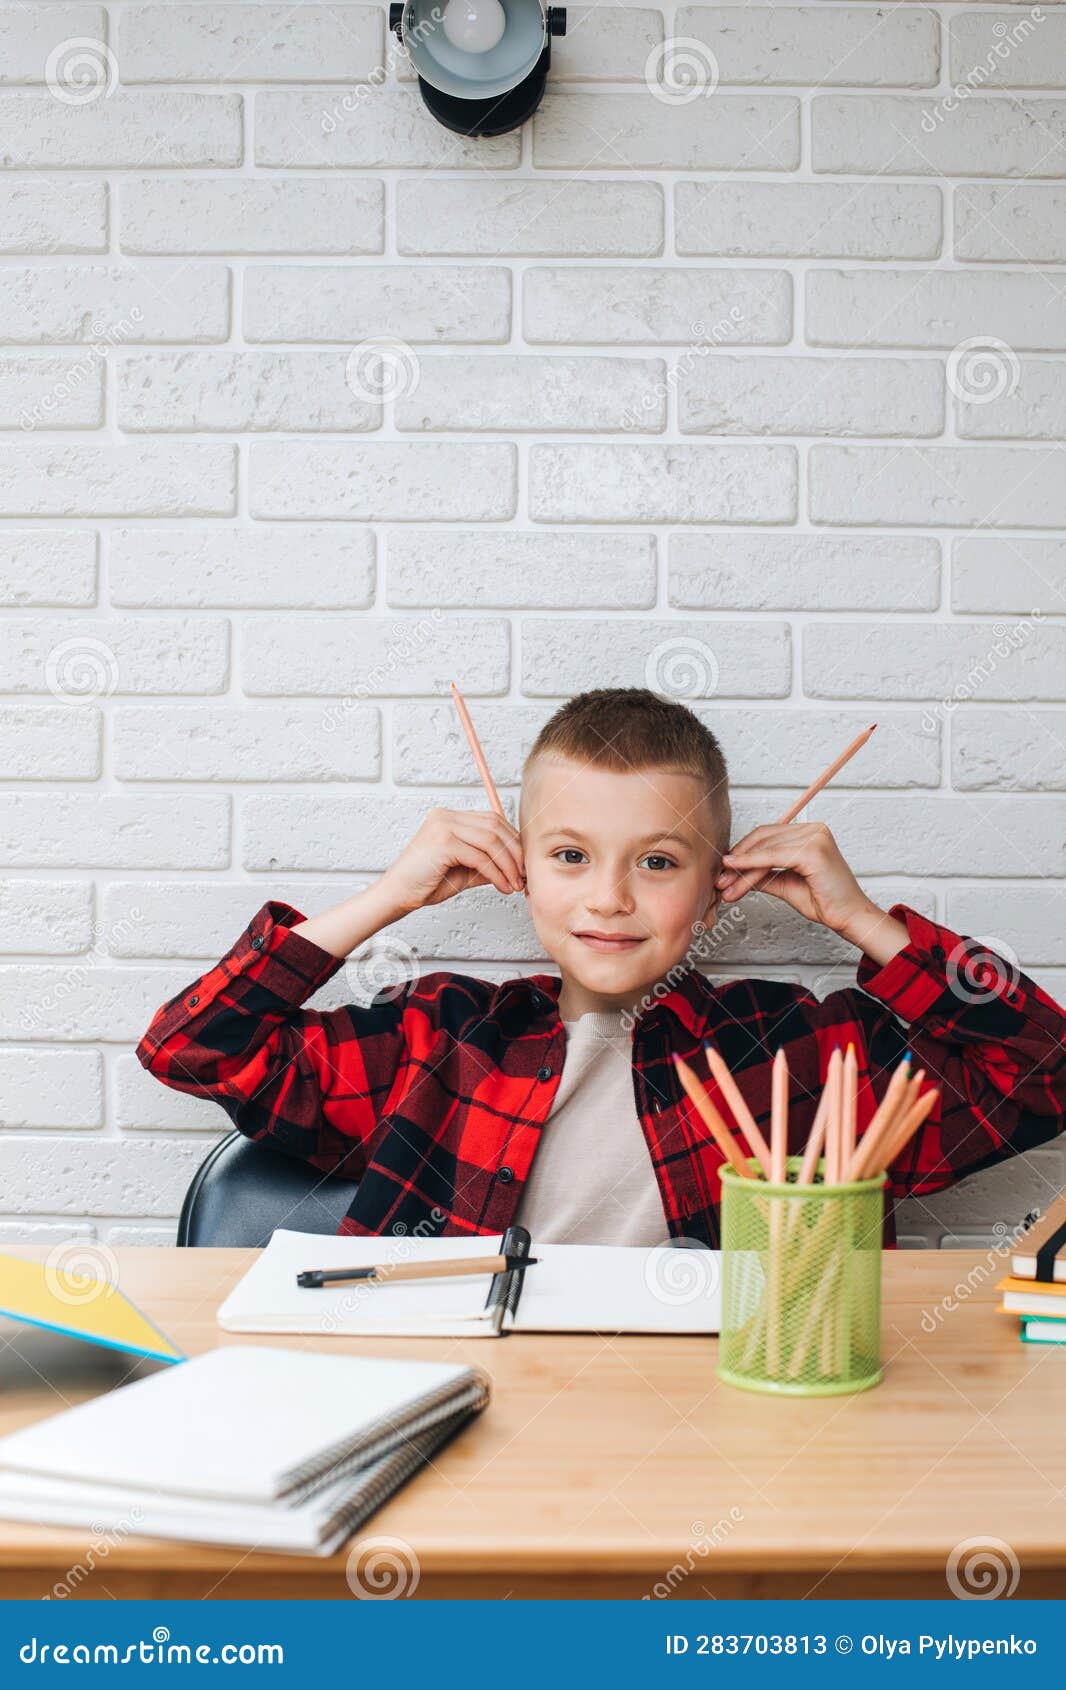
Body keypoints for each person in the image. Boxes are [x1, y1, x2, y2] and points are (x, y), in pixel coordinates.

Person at [136, 687, 1066, 1247]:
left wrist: (862, 921)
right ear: (520, 868)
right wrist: (389, 896)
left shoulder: (801, 1057)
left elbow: (1044, 1071)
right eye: (572, 856)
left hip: (727, 1437)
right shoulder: (436, 1039)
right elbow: (194, 1048)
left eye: (657, 862)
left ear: (718, 888)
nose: (610, 898)